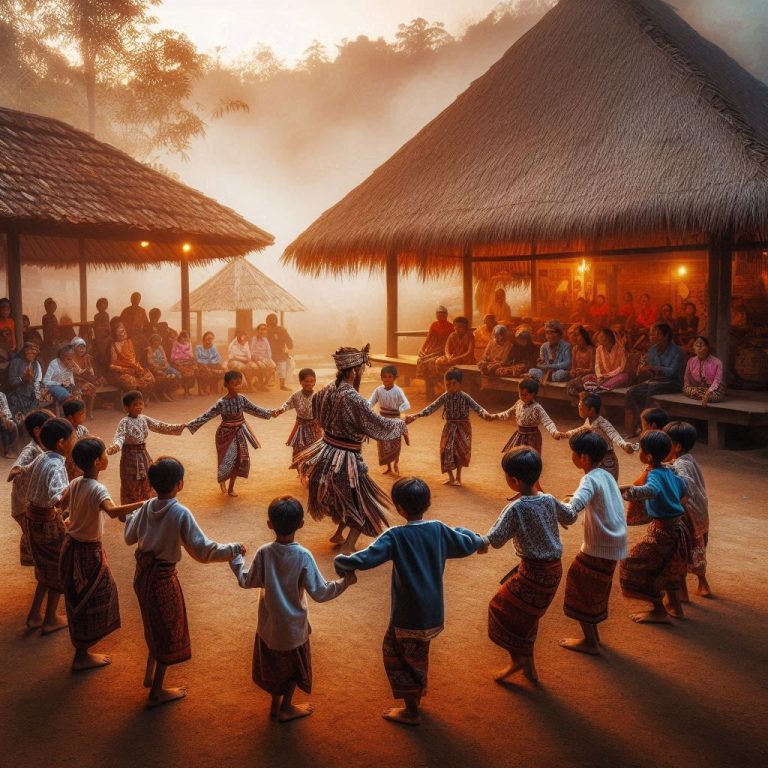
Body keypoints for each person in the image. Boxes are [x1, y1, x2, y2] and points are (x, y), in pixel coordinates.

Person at [334, 477, 485, 725]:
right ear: (427, 503)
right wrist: (478, 540)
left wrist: (342, 562)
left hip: (407, 614)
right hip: (433, 611)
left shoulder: (395, 536)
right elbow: (465, 542)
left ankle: (411, 710)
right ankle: (415, 701)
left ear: (399, 508)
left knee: (400, 656)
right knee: (419, 653)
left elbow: (367, 558)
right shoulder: (438, 529)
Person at [124, 457, 244, 708]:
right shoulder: (180, 512)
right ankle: (156, 690)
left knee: (152, 622)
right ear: (180, 483)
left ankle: (150, 676)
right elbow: (203, 551)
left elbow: (128, 537)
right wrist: (233, 549)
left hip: (142, 575)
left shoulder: (146, 506)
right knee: (168, 631)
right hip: (163, 579)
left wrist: (135, 513)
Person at [231, 496, 355, 721]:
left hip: (269, 627)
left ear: (269, 523)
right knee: (291, 669)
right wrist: (345, 582)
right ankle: (286, 707)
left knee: (274, 665)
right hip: (293, 629)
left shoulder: (264, 553)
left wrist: (236, 558)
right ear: (301, 524)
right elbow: (320, 592)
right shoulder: (303, 556)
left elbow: (246, 580)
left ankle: (275, 704)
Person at [292, 344, 408, 554]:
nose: (362, 372)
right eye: (361, 368)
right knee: (361, 500)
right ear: (354, 371)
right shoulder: (353, 398)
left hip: (327, 450)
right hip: (344, 457)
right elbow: (376, 424)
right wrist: (402, 424)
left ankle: (339, 533)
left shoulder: (327, 388)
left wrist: (333, 426)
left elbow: (317, 407)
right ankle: (349, 544)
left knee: (347, 495)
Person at [485, 447, 578, 683]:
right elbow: (569, 516)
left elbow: (494, 540)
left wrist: (474, 541)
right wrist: (569, 501)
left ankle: (519, 660)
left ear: (514, 481)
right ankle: (528, 665)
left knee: (500, 608)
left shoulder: (516, 508)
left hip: (533, 573)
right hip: (553, 571)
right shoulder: (548, 499)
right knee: (527, 616)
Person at [60, 437, 144, 671]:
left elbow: (61, 502)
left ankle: (81, 649)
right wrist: (144, 503)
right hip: (87, 551)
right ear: (97, 462)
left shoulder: (76, 481)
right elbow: (114, 512)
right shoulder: (98, 489)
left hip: (71, 546)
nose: (108, 456)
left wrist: (69, 519)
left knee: (77, 598)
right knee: (96, 596)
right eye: (105, 454)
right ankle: (82, 654)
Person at [556, 432, 627, 655]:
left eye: (573, 453)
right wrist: (571, 498)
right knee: (594, 587)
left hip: (600, 545)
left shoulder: (589, 479)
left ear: (583, 458)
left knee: (580, 583)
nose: (572, 457)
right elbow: (585, 498)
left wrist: (552, 505)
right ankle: (593, 636)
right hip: (615, 541)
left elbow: (571, 512)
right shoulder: (605, 475)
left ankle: (590, 642)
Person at [619, 430, 689, 623]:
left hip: (665, 530)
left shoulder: (655, 475)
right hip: (676, 527)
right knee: (667, 567)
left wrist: (625, 491)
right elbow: (684, 490)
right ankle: (675, 607)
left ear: (647, 456)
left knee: (633, 563)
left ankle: (659, 610)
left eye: (640, 450)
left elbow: (651, 490)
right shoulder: (670, 471)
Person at [24, 417, 75, 633]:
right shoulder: (56, 465)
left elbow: (26, 473)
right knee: (57, 567)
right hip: (46, 521)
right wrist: (77, 489)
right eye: (73, 438)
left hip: (32, 516)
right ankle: (50, 619)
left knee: (45, 567)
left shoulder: (43, 456)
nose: (75, 441)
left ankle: (35, 614)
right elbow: (58, 497)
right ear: (62, 443)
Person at [186, 370, 272, 496]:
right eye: (234, 383)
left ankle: (231, 488)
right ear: (226, 384)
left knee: (238, 460)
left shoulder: (242, 399)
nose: (237, 386)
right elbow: (207, 415)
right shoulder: (221, 403)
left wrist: (271, 412)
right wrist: (190, 425)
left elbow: (255, 409)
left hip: (239, 434)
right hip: (224, 435)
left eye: (239, 383)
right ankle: (223, 480)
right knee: (226, 460)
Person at [406, 368, 491, 487]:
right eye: (447, 384)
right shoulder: (445, 397)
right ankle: (451, 477)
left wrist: (487, 415)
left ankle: (458, 477)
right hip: (449, 426)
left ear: (460, 384)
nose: (450, 387)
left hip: (463, 427)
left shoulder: (465, 397)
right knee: (445, 450)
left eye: (453, 384)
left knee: (461, 452)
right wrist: (416, 415)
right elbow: (431, 407)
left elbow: (478, 408)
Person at [107, 391, 186, 503]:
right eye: (135, 404)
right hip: (130, 458)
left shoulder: (143, 418)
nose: (139, 407)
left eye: (141, 403)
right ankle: (132, 511)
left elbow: (159, 426)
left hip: (143, 456)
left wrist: (180, 427)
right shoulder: (124, 422)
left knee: (147, 480)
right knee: (131, 482)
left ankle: (147, 506)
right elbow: (120, 438)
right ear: (126, 407)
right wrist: (114, 447)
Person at [664, 421, 712, 598]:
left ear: (677, 446)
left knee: (683, 549)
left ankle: (695, 586)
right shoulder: (688, 459)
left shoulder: (679, 464)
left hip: (689, 514)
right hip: (699, 512)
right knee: (695, 546)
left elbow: (684, 482)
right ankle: (697, 584)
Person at [7, 410, 54, 567]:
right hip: (24, 505)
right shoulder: (31, 449)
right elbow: (18, 464)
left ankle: (39, 565)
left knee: (37, 537)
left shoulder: (46, 447)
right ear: (38, 431)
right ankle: (40, 567)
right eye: (51, 427)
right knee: (36, 537)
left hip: (33, 503)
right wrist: (15, 470)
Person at [558, 393, 636, 480]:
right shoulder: (589, 420)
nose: (579, 409)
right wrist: (566, 434)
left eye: (581, 408)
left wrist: (624, 445)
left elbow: (614, 435)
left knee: (607, 486)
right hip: (595, 459)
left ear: (591, 410)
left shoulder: (602, 422)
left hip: (607, 459)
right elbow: (581, 429)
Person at [624, 323, 683, 436]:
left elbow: (671, 372)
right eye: (651, 334)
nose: (652, 337)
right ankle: (637, 424)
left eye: (656, 334)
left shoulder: (677, 351)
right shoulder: (652, 350)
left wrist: (653, 368)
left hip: (673, 382)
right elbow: (651, 372)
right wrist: (643, 370)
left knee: (652, 388)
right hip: (655, 381)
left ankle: (647, 425)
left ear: (666, 336)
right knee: (631, 392)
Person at [490, 378, 559, 456]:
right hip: (520, 435)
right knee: (516, 456)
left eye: (525, 395)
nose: (522, 397)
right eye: (520, 394)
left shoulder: (537, 408)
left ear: (533, 394)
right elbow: (507, 413)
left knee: (529, 457)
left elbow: (547, 421)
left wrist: (554, 432)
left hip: (532, 437)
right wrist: (494, 416)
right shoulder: (519, 403)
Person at [368, 365, 411, 475]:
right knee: (383, 444)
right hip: (383, 421)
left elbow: (406, 404)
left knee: (395, 443)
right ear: (381, 378)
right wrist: (364, 408)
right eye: (384, 377)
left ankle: (396, 462)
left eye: (390, 376)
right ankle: (388, 467)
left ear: (394, 377)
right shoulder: (378, 390)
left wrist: (398, 410)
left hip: (395, 420)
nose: (387, 379)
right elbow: (370, 402)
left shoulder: (398, 390)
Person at [272, 368, 322, 460]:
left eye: (312, 381)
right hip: (300, 428)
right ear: (300, 381)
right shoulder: (296, 396)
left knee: (315, 451)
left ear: (315, 382)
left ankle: (310, 472)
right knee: (299, 451)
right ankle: (301, 472)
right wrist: (280, 410)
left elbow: (325, 410)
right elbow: (287, 404)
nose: (309, 384)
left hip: (315, 428)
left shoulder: (318, 396)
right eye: (306, 381)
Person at [108, 320, 155, 396]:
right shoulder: (113, 346)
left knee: (150, 378)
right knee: (131, 382)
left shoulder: (130, 342)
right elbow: (113, 364)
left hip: (134, 369)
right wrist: (125, 369)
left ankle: (143, 397)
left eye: (123, 328)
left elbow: (134, 359)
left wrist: (137, 368)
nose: (123, 331)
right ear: (115, 333)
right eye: (119, 329)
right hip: (122, 372)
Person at [683, 336, 725, 405]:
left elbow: (717, 380)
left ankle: (706, 397)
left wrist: (709, 392)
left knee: (716, 395)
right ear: (694, 348)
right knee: (685, 390)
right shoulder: (691, 361)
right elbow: (687, 379)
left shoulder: (717, 362)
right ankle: (703, 397)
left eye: (702, 345)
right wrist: (690, 388)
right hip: (698, 389)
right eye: (697, 345)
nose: (699, 348)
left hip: (714, 390)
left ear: (708, 347)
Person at [7, 342, 44, 417]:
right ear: (23, 351)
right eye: (28, 352)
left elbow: (38, 382)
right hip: (17, 397)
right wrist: (22, 379)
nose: (31, 354)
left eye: (33, 352)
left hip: (32, 397)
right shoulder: (15, 362)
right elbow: (11, 381)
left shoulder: (36, 364)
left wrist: (37, 398)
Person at [416, 306, 454, 375]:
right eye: (438, 315)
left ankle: (434, 378)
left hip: (444, 350)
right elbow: (428, 338)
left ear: (446, 315)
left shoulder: (451, 327)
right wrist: (422, 349)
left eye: (442, 315)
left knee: (431, 362)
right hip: (434, 349)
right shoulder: (434, 325)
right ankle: (425, 378)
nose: (440, 317)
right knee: (421, 360)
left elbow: (452, 343)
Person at [146, 334, 180, 402]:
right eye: (155, 341)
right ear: (152, 341)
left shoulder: (160, 348)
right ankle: (161, 393)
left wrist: (165, 365)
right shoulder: (149, 349)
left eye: (158, 341)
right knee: (163, 375)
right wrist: (159, 367)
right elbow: (150, 362)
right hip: (155, 368)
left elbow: (165, 358)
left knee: (176, 374)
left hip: (164, 367)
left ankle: (167, 391)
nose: (157, 343)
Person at [265, 313, 294, 392]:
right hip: (272, 355)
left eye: (272, 320)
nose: (272, 322)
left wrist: (287, 347)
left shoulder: (280, 330)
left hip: (277, 354)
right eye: (271, 320)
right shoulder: (266, 330)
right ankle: (279, 384)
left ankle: (279, 384)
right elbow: (290, 342)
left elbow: (289, 342)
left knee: (281, 366)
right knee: (280, 367)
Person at [62, 398, 88, 480]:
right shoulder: (64, 432)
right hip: (67, 469)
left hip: (81, 466)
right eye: (81, 414)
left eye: (84, 413)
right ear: (70, 417)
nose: (84, 416)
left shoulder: (83, 430)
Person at [566, 326, 596, 395]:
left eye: (577, 335)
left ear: (584, 336)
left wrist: (583, 371)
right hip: (578, 376)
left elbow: (593, 369)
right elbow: (573, 367)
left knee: (572, 385)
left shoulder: (592, 350)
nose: (575, 338)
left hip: (590, 376)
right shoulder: (575, 349)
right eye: (574, 335)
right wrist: (573, 371)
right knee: (570, 385)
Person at [170, 330, 197, 398]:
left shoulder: (189, 343)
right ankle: (186, 391)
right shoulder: (175, 343)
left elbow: (191, 354)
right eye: (183, 337)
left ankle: (187, 390)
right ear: (180, 337)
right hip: (178, 362)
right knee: (186, 372)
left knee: (194, 370)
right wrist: (177, 361)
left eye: (186, 337)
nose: (185, 339)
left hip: (187, 361)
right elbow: (173, 355)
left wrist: (192, 359)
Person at [250, 323, 277, 390]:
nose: (263, 331)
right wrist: (257, 358)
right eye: (261, 329)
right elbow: (251, 351)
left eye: (264, 330)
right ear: (258, 331)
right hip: (256, 359)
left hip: (264, 359)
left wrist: (269, 360)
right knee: (262, 366)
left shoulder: (266, 340)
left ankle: (264, 384)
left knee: (273, 367)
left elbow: (269, 352)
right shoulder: (254, 339)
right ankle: (260, 384)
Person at [92, 297, 111, 369]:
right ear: (98, 306)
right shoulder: (96, 316)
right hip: (99, 335)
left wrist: (107, 330)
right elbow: (95, 325)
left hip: (105, 335)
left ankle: (105, 364)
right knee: (101, 351)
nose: (103, 307)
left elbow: (107, 325)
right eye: (100, 305)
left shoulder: (106, 315)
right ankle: (102, 364)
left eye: (105, 305)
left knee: (105, 350)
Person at [41, 297, 61, 364]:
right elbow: (47, 331)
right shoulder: (46, 317)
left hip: (54, 340)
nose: (53, 308)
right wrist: (52, 340)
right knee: (50, 358)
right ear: (46, 308)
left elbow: (55, 328)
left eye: (53, 307)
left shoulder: (53, 317)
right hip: (49, 342)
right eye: (50, 307)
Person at [0, 389, 18, 457]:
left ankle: (8, 448)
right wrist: (3, 419)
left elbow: (6, 409)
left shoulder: (2, 394)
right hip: (1, 419)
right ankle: (7, 452)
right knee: (4, 427)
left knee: (14, 426)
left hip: (6, 418)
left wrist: (9, 419)